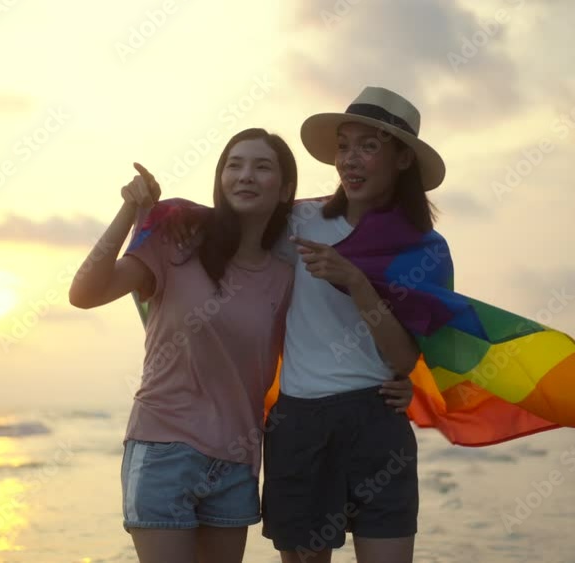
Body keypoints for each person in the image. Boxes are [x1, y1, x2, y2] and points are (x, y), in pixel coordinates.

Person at [67, 127, 413, 563]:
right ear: (220, 178)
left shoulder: (287, 272)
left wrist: (401, 380)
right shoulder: (176, 241)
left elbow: (325, 336)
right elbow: (84, 294)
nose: (246, 175)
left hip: (236, 464)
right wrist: (129, 210)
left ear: (286, 189)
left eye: (262, 167)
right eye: (235, 164)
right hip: (163, 452)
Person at [260, 86, 445, 563]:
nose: (350, 159)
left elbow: (405, 359)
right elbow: (228, 252)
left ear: (403, 158)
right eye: (344, 145)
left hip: (377, 422)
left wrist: (358, 283)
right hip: (299, 423)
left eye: (368, 146)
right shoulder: (299, 221)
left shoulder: (424, 249)